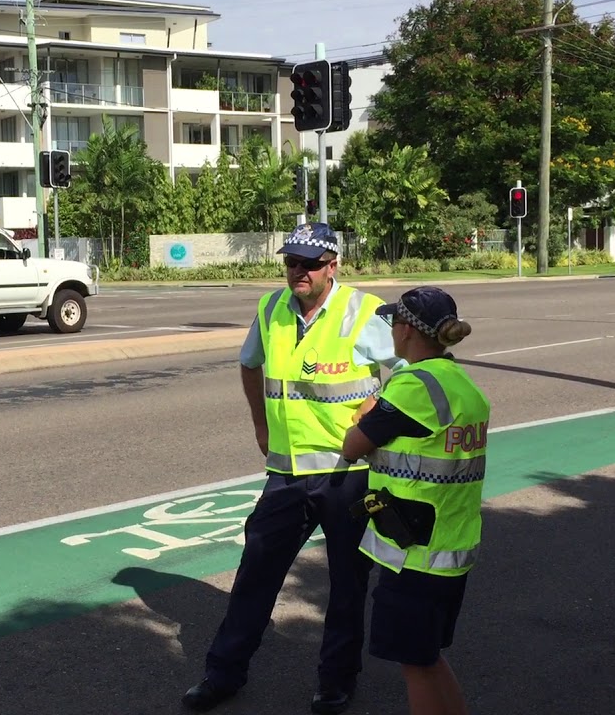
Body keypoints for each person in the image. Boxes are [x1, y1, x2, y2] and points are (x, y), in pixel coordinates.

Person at [183, 223, 405, 715]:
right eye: (291, 262)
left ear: (333, 265)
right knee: (254, 578)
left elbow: (411, 370)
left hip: (348, 475)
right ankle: (222, 674)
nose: (297, 271)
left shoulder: (363, 312)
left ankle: (335, 683)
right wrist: (260, 425)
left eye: (308, 263)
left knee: (347, 586)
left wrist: (380, 406)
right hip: (286, 475)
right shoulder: (270, 309)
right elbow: (249, 364)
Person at [340, 285, 488, 715]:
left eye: (393, 322)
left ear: (405, 330)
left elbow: (353, 445)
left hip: (416, 553)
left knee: (416, 665)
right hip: (450, 545)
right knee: (429, 658)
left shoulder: (413, 387)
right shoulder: (458, 381)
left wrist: (368, 414)